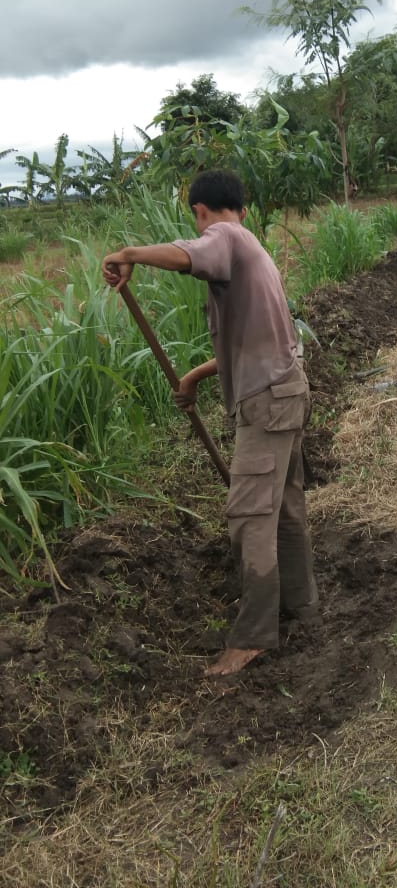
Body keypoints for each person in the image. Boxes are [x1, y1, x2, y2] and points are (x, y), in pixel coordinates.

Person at [101, 168, 319, 678]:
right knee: (285, 506)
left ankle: (254, 637)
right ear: (241, 206)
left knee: (249, 516)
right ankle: (301, 603)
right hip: (288, 390)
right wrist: (195, 377)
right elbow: (255, 338)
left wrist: (128, 254)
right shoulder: (254, 249)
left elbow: (189, 256)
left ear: (201, 212)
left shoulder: (224, 237)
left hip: (267, 403)